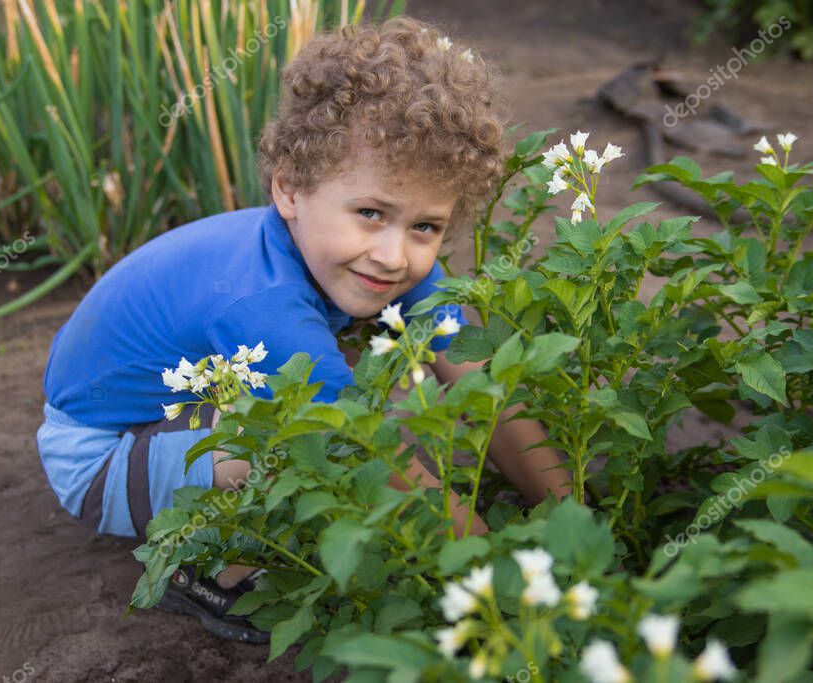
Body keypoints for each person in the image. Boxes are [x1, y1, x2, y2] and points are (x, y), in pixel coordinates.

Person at [36, 16, 571, 644]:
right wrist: (510, 581)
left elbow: (488, 384)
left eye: (424, 226)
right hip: (99, 458)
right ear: (290, 188)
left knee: (325, 416)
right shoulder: (262, 301)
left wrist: (571, 516)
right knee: (307, 436)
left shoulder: (378, 264)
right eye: (371, 213)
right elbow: (369, 454)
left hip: (169, 418)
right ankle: (213, 573)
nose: (395, 255)